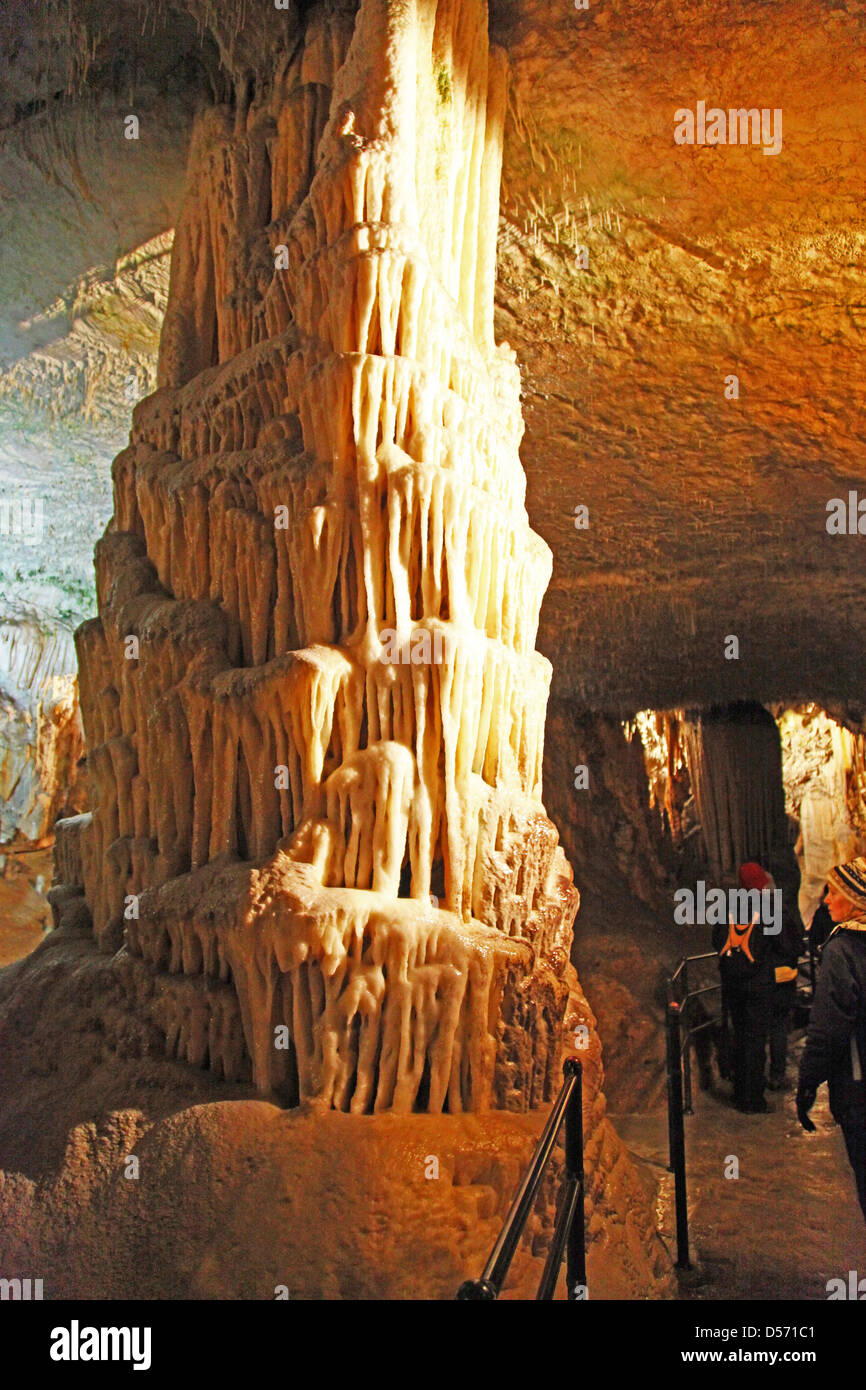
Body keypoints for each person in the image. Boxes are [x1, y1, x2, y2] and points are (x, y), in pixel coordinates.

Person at [797, 856, 866, 1222]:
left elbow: (828, 1029)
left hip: (859, 1091)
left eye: (833, 891)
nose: (825, 900)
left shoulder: (843, 951)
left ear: (854, 899)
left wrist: (808, 1085)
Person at [712, 862, 775, 1113]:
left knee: (740, 1037)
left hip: (733, 985)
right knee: (756, 1041)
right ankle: (753, 1098)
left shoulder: (727, 906)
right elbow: (784, 941)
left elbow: (717, 939)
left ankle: (740, 1094)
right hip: (758, 984)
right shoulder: (767, 908)